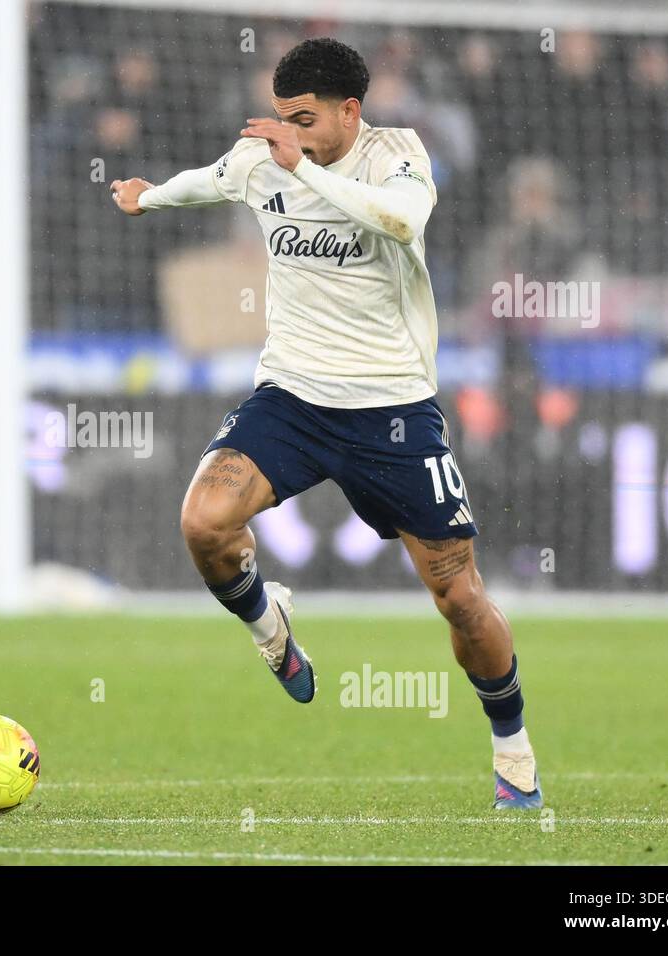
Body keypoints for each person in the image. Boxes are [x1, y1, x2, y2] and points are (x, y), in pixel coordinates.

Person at [109, 37, 542, 810]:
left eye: (304, 120)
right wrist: (151, 195)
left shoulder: (397, 155)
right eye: (281, 121)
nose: (287, 135)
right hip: (294, 399)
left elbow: (402, 223)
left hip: (393, 411)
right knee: (204, 522)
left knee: (460, 597)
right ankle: (269, 627)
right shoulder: (264, 158)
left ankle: (511, 745)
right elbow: (210, 181)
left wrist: (302, 167)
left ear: (350, 112)